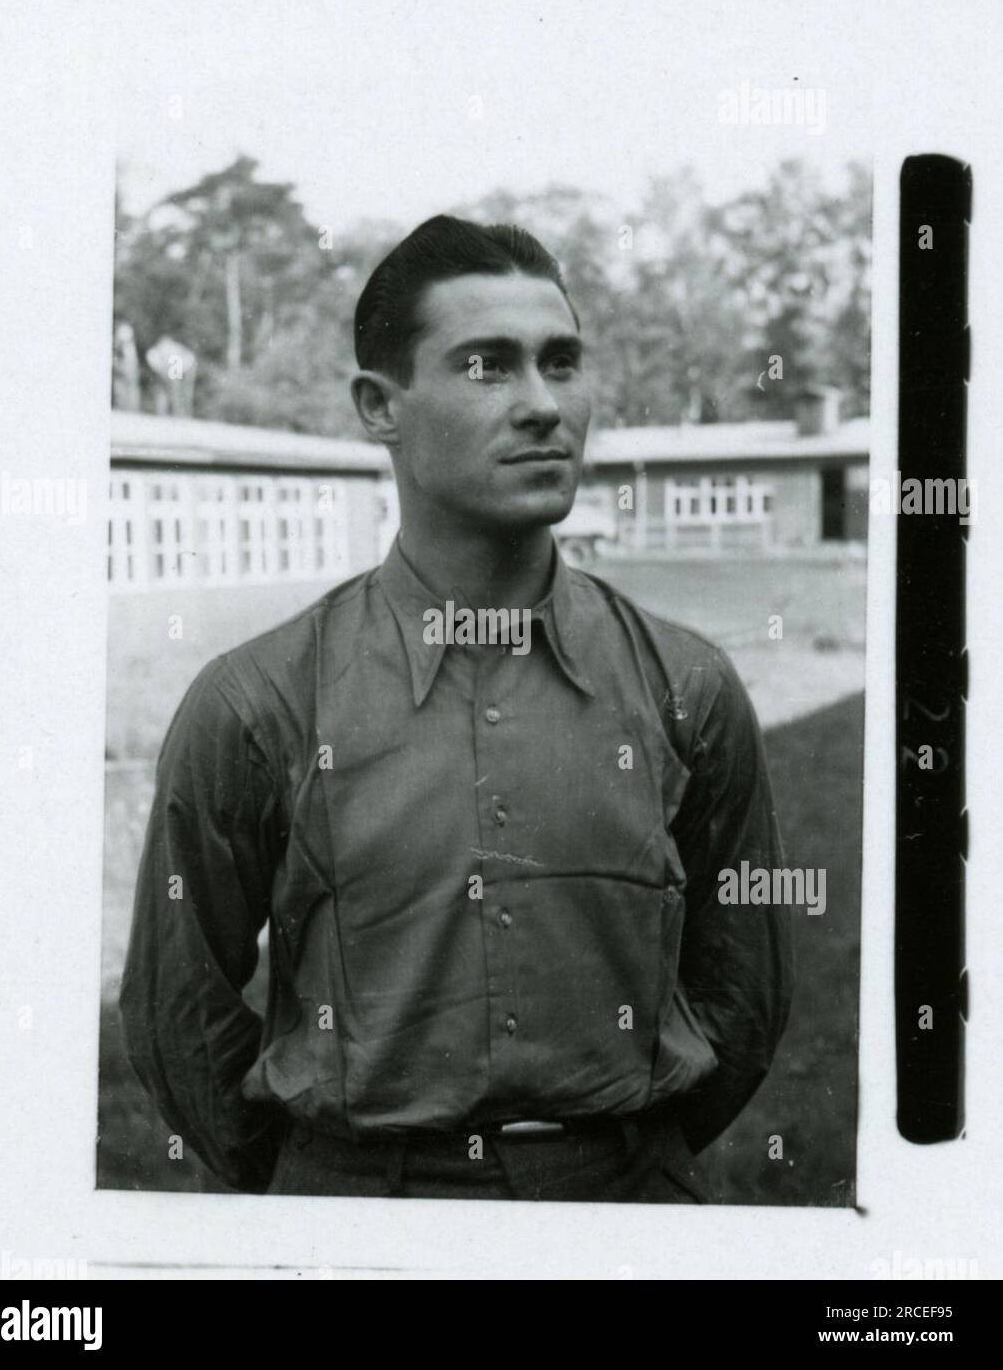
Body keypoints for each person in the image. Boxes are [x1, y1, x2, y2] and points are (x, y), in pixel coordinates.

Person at [120, 214, 794, 1202]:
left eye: (559, 363)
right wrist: (320, 1184)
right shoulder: (257, 702)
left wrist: (623, 1164)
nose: (539, 405)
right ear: (377, 407)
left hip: (623, 1217)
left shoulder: (684, 686)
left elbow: (746, 992)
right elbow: (176, 1004)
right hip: (358, 1218)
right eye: (486, 365)